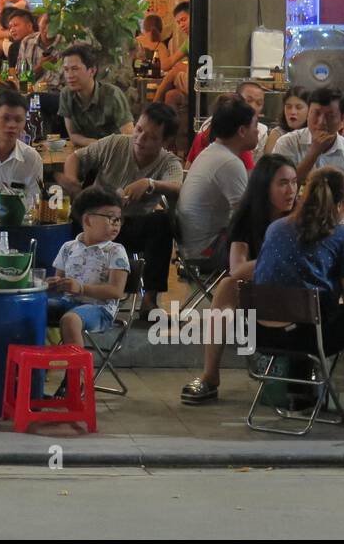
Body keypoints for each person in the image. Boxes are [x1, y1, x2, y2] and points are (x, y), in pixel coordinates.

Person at [251, 167, 344, 424]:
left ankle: (298, 396)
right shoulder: (341, 239)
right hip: (308, 337)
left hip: (262, 333)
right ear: (342, 204)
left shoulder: (275, 228)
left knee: (304, 308)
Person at [181, 155, 298, 405]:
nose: (291, 191)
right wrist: (278, 257)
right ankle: (210, 376)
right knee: (227, 285)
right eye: (283, 183)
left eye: (295, 182)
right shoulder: (247, 219)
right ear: (264, 187)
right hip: (262, 297)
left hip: (300, 294)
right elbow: (238, 269)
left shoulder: (300, 219)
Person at [60, 102, 184, 303]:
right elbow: (75, 158)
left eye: (151, 137)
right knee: (76, 216)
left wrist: (150, 183)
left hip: (132, 226)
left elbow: (177, 187)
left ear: (166, 141)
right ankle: (71, 287)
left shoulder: (168, 162)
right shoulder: (115, 143)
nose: (141, 139)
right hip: (96, 222)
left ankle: (149, 299)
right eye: (139, 129)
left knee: (161, 223)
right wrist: (72, 181)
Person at [175, 94, 258, 266]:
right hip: (206, 249)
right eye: (255, 126)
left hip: (193, 244)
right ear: (242, 131)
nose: (257, 131)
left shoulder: (214, 152)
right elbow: (244, 216)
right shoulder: (229, 162)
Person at [47, 186, 130, 355]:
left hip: (100, 309)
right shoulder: (68, 248)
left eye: (118, 219)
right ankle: (33, 364)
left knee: (71, 320)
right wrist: (53, 284)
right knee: (32, 308)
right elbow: (60, 283)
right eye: (110, 218)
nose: (116, 224)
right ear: (88, 220)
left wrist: (81, 288)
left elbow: (116, 291)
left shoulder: (115, 251)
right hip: (68, 303)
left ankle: (77, 378)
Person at [269, 87, 344, 195]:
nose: (321, 122)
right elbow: (277, 191)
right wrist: (313, 153)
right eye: (316, 113)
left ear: (342, 120)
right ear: (308, 114)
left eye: (330, 116)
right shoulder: (286, 143)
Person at [58, 43, 132, 146]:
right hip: (87, 151)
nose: (69, 75)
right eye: (66, 70)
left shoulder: (112, 94)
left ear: (92, 70)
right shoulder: (66, 94)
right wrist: (97, 145)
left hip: (115, 153)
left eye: (75, 69)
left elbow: (129, 136)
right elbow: (73, 135)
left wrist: (103, 148)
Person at [187, 81, 266, 166]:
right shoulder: (209, 130)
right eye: (249, 100)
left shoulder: (262, 131)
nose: (253, 107)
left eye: (259, 103)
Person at [263, 85, 308, 155]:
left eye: (299, 107)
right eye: (288, 107)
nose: (293, 112)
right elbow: (269, 164)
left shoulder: (313, 134)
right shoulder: (277, 134)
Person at [160, 1, 190, 73]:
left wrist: (185, 67)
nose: (181, 25)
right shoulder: (188, 41)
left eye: (183, 20)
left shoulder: (207, 37)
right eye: (178, 22)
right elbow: (169, 62)